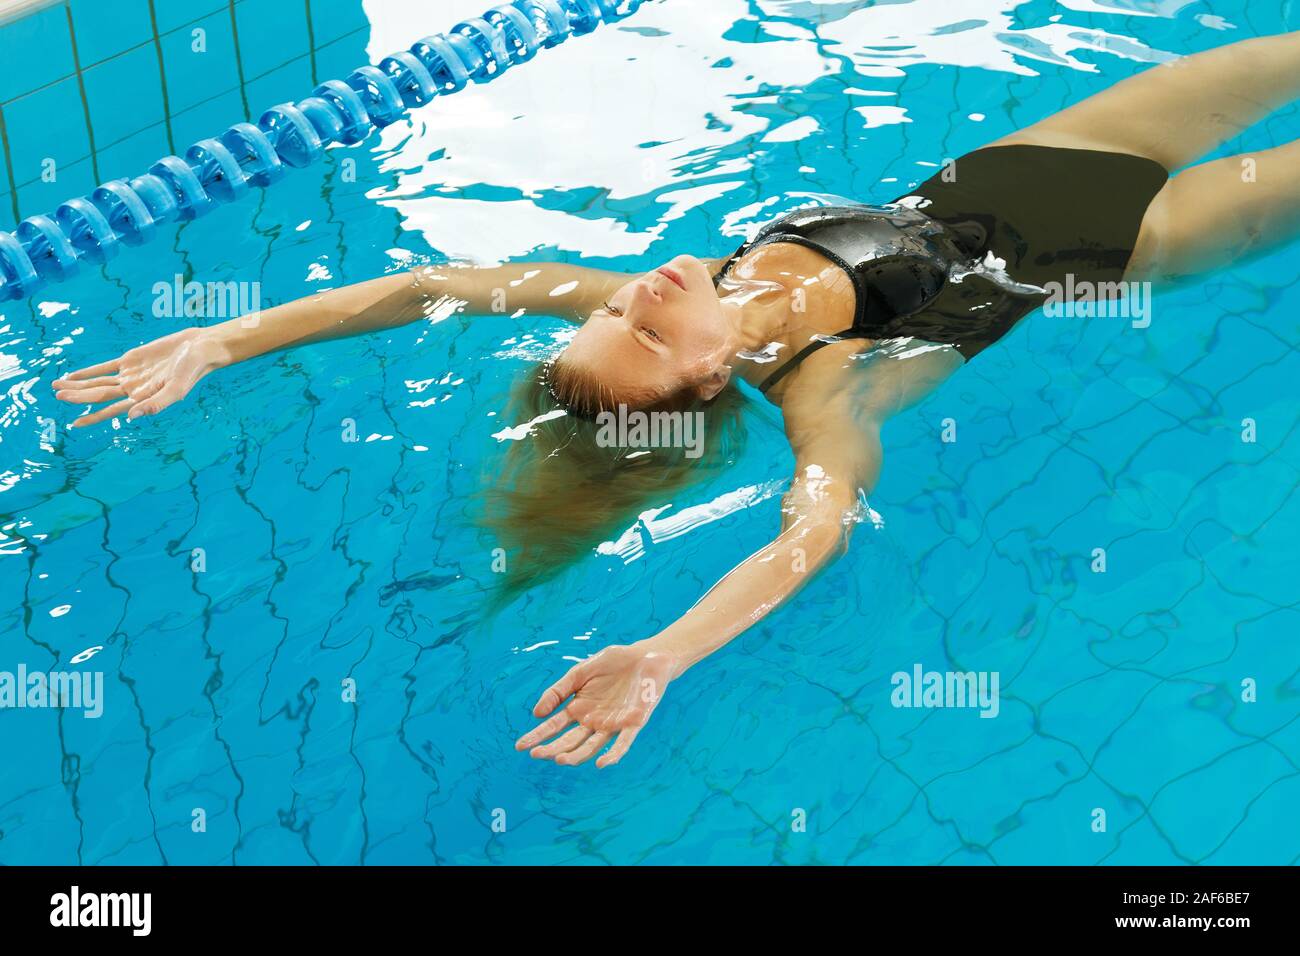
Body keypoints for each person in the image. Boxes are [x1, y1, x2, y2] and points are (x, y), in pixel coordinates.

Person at [52, 32, 1300, 768]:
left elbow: (432, 281)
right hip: (1118, 240)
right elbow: (808, 533)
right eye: (644, 323)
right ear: (705, 378)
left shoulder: (649, 296)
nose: (637, 290)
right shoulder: (824, 392)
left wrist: (224, 339)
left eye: (613, 310)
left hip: (1035, 160)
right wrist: (662, 655)